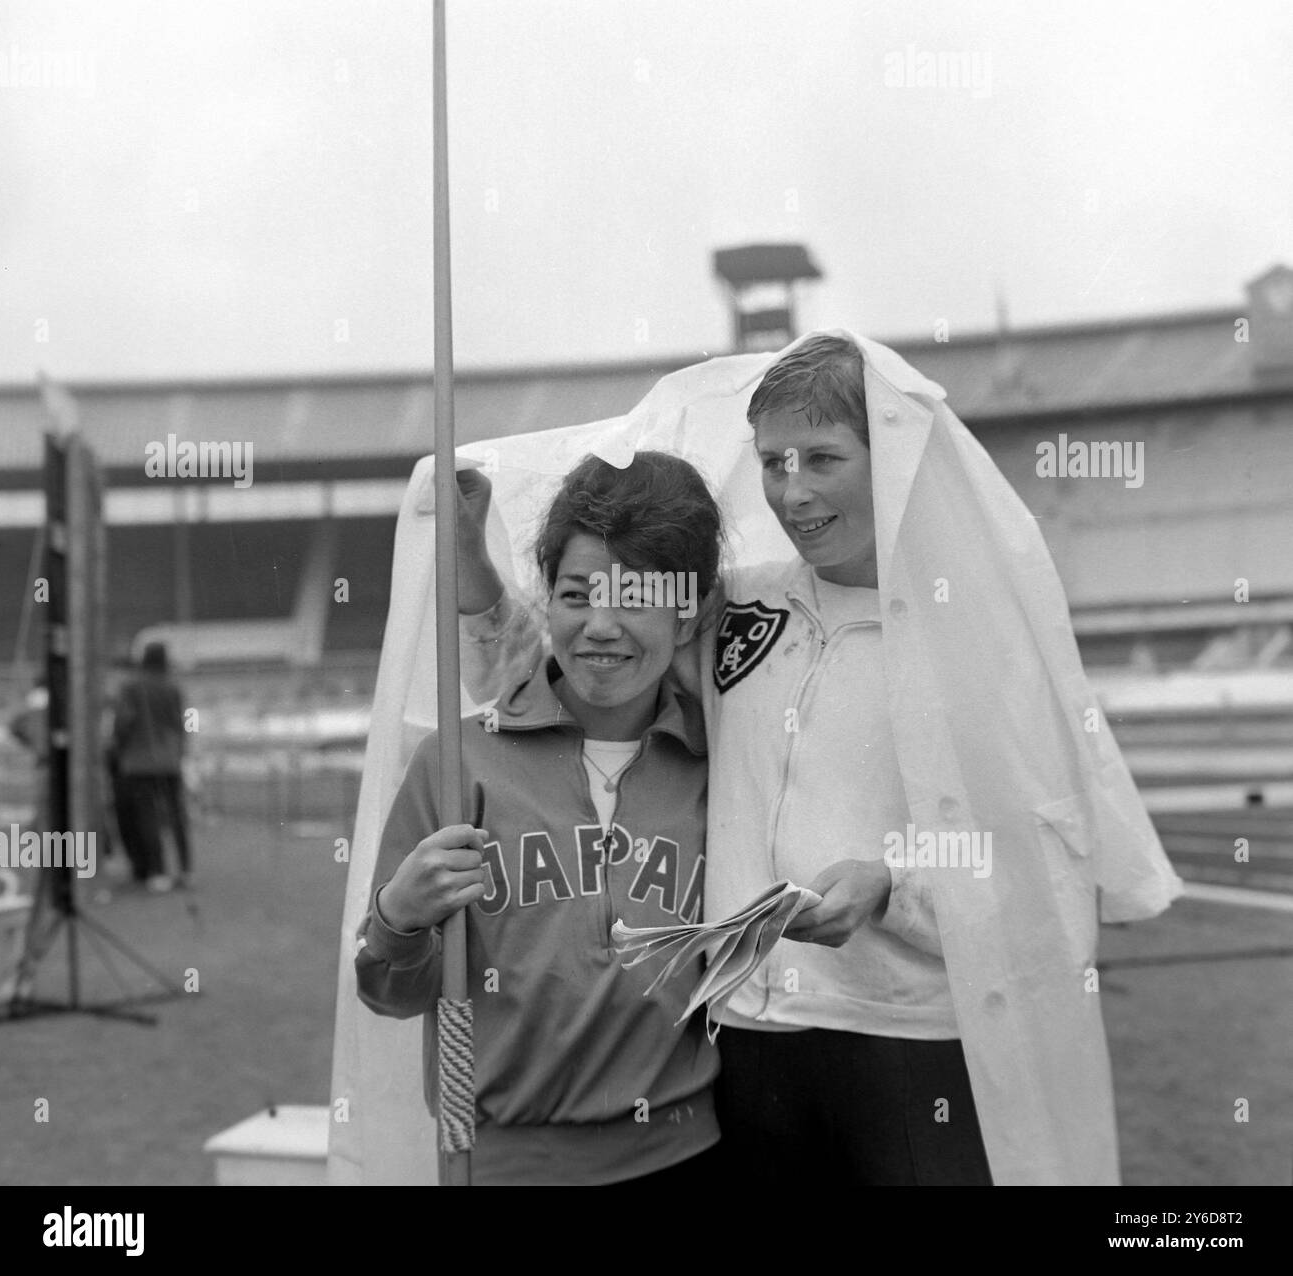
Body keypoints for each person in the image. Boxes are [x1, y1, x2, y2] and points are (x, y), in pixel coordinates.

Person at [451, 331, 1182, 1186]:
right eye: (773, 462)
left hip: (910, 1051)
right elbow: (574, 664)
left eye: (822, 459)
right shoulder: (738, 606)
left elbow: (1044, 869)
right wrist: (469, 559)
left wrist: (891, 885)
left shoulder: (980, 638)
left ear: (892, 458)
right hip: (746, 1051)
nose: (791, 492)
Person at [355, 451, 725, 1186]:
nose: (601, 626)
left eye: (637, 599)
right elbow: (388, 994)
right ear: (547, 598)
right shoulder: (457, 760)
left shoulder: (722, 759)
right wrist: (399, 917)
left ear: (690, 618)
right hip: (498, 1164)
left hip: (685, 1157)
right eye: (577, 595)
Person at [111, 642, 192, 891]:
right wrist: (182, 748)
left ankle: (157, 872)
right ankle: (186, 869)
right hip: (169, 758)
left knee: (148, 817)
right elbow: (184, 722)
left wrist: (119, 745)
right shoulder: (173, 687)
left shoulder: (132, 687)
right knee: (177, 815)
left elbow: (124, 721)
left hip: (139, 761)